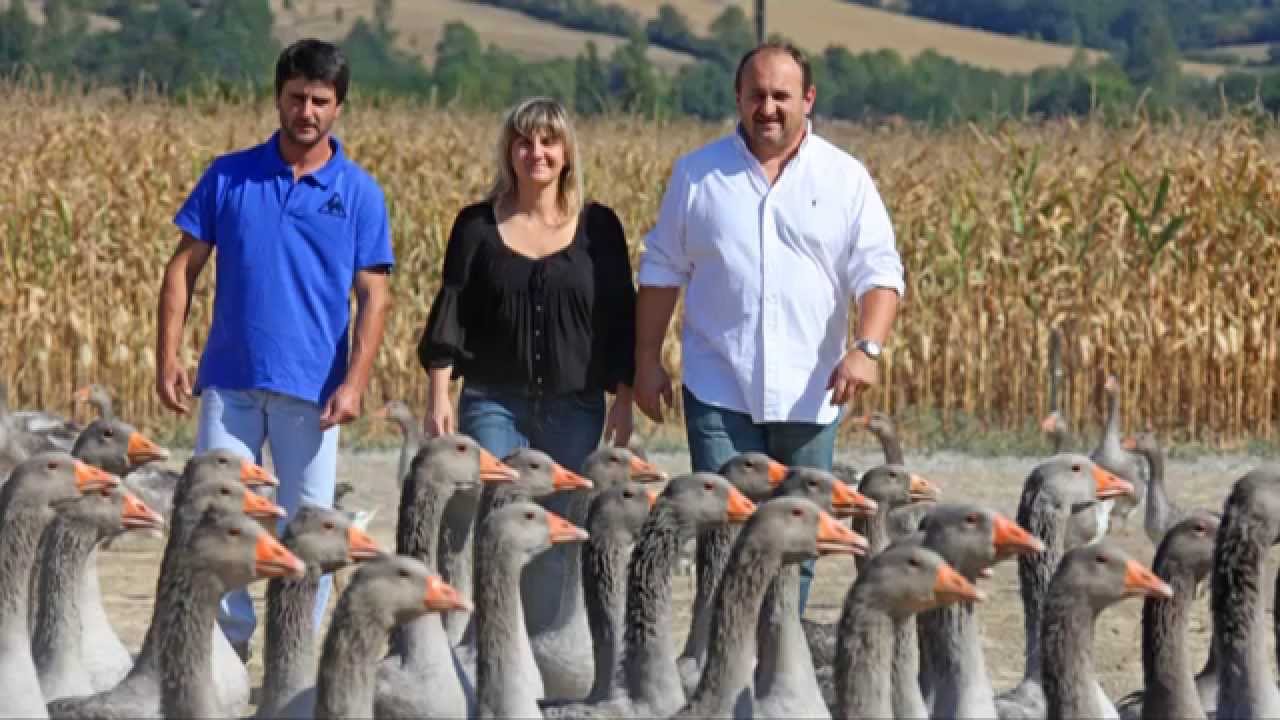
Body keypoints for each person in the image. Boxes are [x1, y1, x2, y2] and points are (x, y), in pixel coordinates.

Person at [633, 41, 905, 615]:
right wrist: (647, 362)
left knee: (798, 540)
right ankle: (723, 663)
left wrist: (867, 347)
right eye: (757, 95)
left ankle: (779, 656)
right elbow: (661, 269)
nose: (769, 108)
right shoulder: (698, 175)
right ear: (738, 97)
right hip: (718, 389)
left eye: (782, 95)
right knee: (722, 532)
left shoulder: (845, 178)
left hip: (813, 392)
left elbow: (880, 270)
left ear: (808, 99)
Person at [156, 38, 394, 660]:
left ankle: (291, 656)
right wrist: (168, 357)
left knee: (307, 527)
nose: (306, 112)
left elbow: (374, 296)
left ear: (338, 106)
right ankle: (222, 652)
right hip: (230, 382)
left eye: (320, 101)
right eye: (296, 98)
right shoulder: (228, 175)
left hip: (313, 392)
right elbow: (182, 269)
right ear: (278, 98)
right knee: (219, 520)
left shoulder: (360, 194)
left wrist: (356, 381)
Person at [416, 96, 636, 471]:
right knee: (498, 515)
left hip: (575, 409)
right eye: (524, 142)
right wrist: (439, 397)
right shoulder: (476, 227)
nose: (536, 152)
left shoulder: (599, 228)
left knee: (565, 521)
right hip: (493, 404)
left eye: (548, 141)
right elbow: (452, 311)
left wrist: (625, 402)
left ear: (566, 153)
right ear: (509, 152)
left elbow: (620, 318)